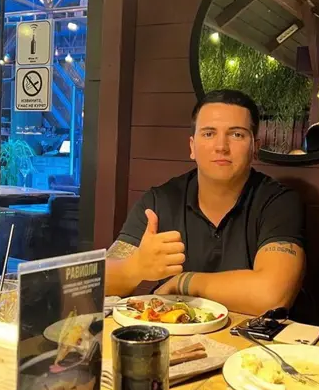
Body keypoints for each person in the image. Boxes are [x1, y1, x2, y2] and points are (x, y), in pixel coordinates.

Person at [106, 90, 305, 316]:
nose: (221, 146)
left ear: (255, 148)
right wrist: (135, 267)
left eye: (237, 134)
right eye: (209, 133)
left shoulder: (278, 202)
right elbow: (99, 282)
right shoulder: (160, 200)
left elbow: (272, 296)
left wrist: (184, 282)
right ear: (192, 146)